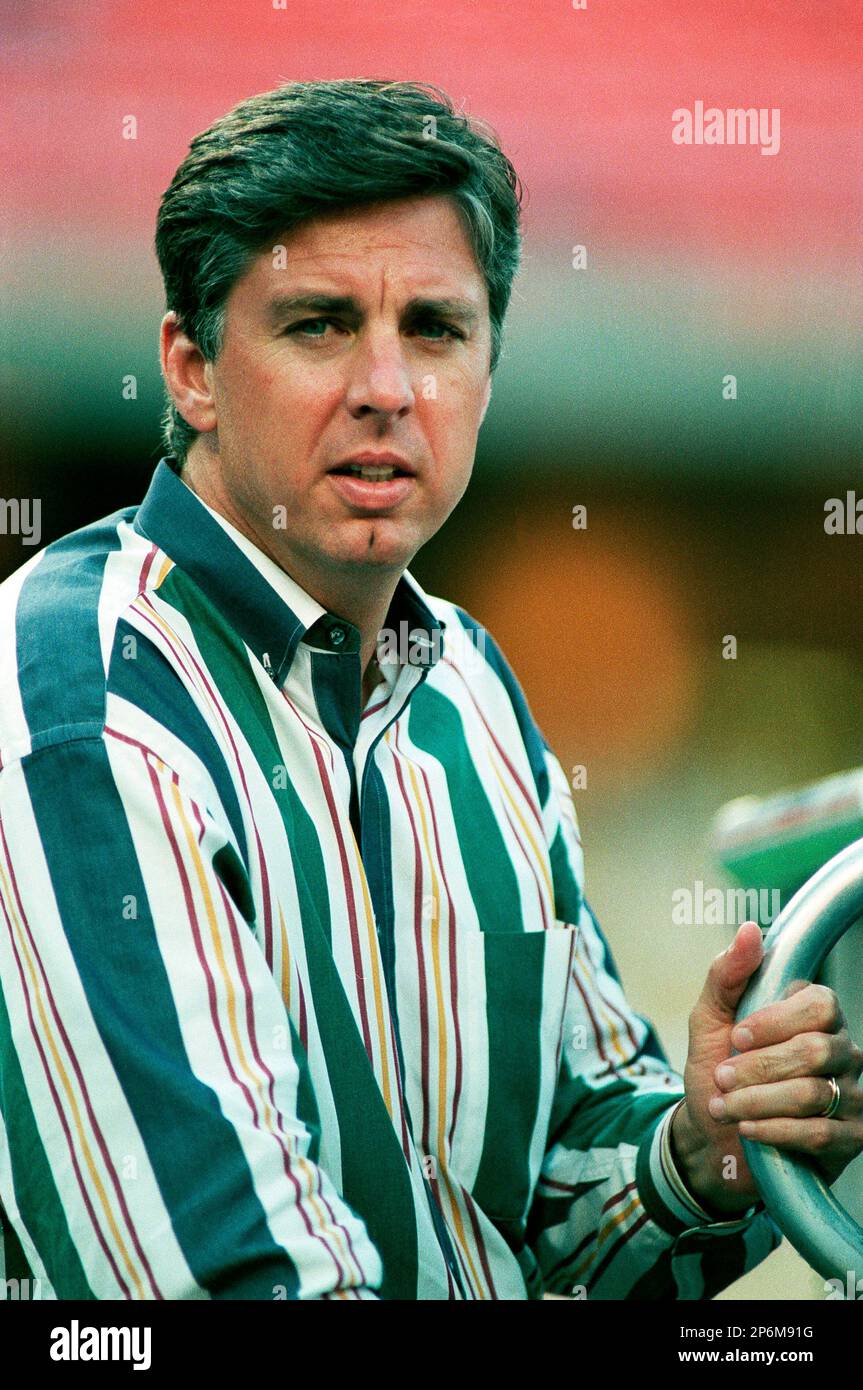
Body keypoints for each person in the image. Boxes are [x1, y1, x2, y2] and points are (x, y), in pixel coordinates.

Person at [0, 78, 860, 1301]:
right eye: (318, 323)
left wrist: (698, 1152)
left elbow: (561, 1202)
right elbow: (226, 1285)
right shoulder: (82, 710)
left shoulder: (465, 683)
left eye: (439, 332)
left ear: (488, 374)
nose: (387, 388)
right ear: (189, 368)